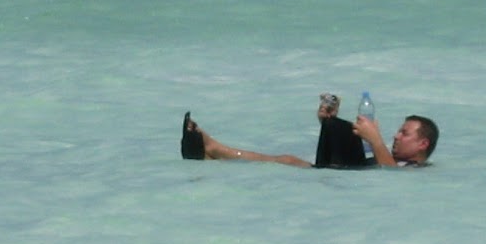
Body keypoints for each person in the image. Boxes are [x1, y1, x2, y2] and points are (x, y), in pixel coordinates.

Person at [181, 94, 439, 168]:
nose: (396, 136)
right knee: (286, 159)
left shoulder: (417, 172)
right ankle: (211, 152)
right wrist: (329, 123)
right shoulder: (392, 159)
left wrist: (376, 139)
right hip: (343, 172)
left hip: (342, 180)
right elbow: (360, 156)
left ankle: (213, 149)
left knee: (287, 161)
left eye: (405, 133)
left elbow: (389, 177)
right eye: (398, 131)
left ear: (422, 145)